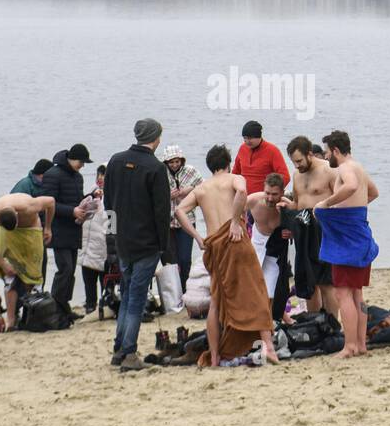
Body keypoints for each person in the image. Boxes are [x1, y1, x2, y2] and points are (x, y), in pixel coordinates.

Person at [176, 146, 280, 367]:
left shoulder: (201, 188)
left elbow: (179, 211)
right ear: (228, 163)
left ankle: (214, 357)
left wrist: (197, 236)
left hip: (213, 244)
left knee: (216, 300)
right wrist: (234, 221)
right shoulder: (235, 178)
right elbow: (242, 192)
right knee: (257, 290)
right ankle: (268, 346)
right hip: (235, 239)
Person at [104, 118, 172, 370]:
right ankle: (129, 353)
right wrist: (163, 246)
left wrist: (112, 236)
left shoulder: (115, 161)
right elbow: (161, 212)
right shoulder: (155, 168)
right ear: (156, 138)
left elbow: (108, 203)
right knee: (136, 298)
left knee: (127, 291)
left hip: (122, 241)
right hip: (147, 244)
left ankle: (119, 348)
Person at [314, 130, 379, 358]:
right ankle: (361, 344)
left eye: (326, 153)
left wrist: (327, 203)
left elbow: (350, 186)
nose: (325, 157)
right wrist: (355, 207)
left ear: (335, 150)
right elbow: (373, 192)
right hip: (360, 235)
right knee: (357, 294)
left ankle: (350, 346)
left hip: (347, 241)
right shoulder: (358, 166)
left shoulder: (345, 168)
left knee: (343, 294)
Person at [0, 192, 55, 329]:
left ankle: (31, 315)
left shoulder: (29, 206)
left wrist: (48, 228)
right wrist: (2, 263)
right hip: (7, 237)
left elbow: (51, 201)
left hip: (31, 232)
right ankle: (11, 319)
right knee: (10, 278)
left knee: (32, 277)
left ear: (16, 215)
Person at [285, 135, 336, 315]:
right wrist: (285, 208)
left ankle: (332, 324)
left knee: (326, 282)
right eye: (293, 162)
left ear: (309, 154)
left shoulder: (328, 169)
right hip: (303, 226)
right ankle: (315, 323)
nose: (297, 165)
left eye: (299, 160)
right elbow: (297, 204)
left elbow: (340, 199)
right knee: (309, 281)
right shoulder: (296, 175)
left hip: (324, 226)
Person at [39, 144, 92, 313]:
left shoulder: (78, 177)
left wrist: (89, 201)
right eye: (81, 162)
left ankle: (64, 306)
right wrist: (72, 211)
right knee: (65, 268)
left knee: (70, 272)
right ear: (72, 159)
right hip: (58, 229)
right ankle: (55, 306)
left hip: (74, 229)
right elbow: (48, 203)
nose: (82, 166)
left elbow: (76, 201)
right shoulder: (52, 175)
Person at [246, 173, 291, 320]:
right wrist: (238, 226)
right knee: (252, 288)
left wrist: (291, 231)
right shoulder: (253, 200)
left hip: (275, 248)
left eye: (275, 194)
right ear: (263, 189)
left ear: (282, 192)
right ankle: (258, 320)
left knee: (271, 290)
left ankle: (270, 320)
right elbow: (233, 213)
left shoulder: (287, 206)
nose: (270, 198)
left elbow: (302, 226)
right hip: (256, 242)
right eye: (267, 193)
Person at [163, 145, 203, 290]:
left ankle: (186, 288)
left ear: (182, 160)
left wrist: (189, 190)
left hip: (187, 220)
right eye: (171, 162)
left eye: (177, 161)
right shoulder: (160, 173)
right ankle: (174, 291)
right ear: (166, 162)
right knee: (170, 261)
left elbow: (203, 188)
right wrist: (168, 196)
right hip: (167, 222)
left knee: (185, 259)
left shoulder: (191, 171)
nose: (174, 165)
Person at [79, 165, 109, 314]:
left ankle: (105, 303)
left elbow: (114, 223)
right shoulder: (89, 194)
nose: (100, 179)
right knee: (88, 275)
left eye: (103, 176)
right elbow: (79, 217)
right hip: (87, 243)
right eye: (99, 176)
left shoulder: (114, 196)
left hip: (103, 244)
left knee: (105, 276)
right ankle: (90, 305)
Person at [232, 120, 290, 195]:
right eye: (245, 138)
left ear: (259, 136)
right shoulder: (242, 148)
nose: (247, 141)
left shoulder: (272, 151)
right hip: (243, 197)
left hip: (263, 199)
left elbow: (285, 177)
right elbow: (235, 174)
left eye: (250, 138)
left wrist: (271, 194)